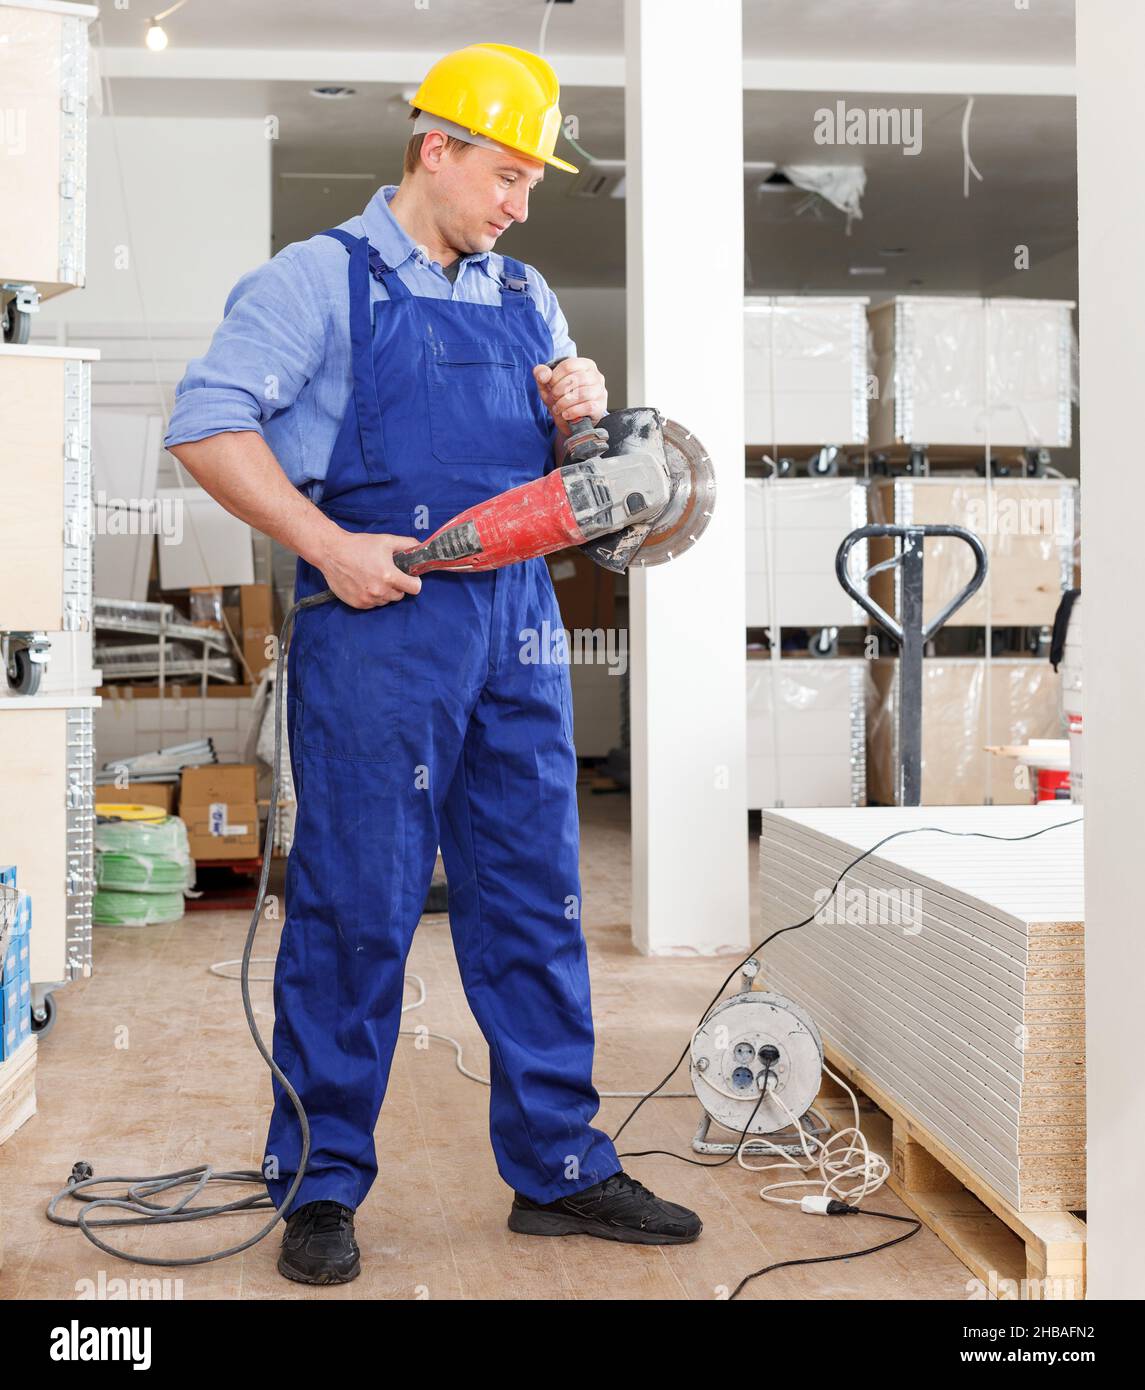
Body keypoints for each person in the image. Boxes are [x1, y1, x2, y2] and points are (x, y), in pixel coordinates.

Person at [166, 42, 701, 1286]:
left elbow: (571, 486)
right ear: (433, 149)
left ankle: (560, 1168)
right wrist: (323, 544)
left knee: (534, 896)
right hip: (378, 623)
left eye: (531, 183)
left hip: (515, 632)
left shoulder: (527, 295)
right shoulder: (320, 280)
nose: (519, 204)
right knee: (357, 908)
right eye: (504, 174)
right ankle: (319, 1184)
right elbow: (204, 421)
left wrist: (592, 425)